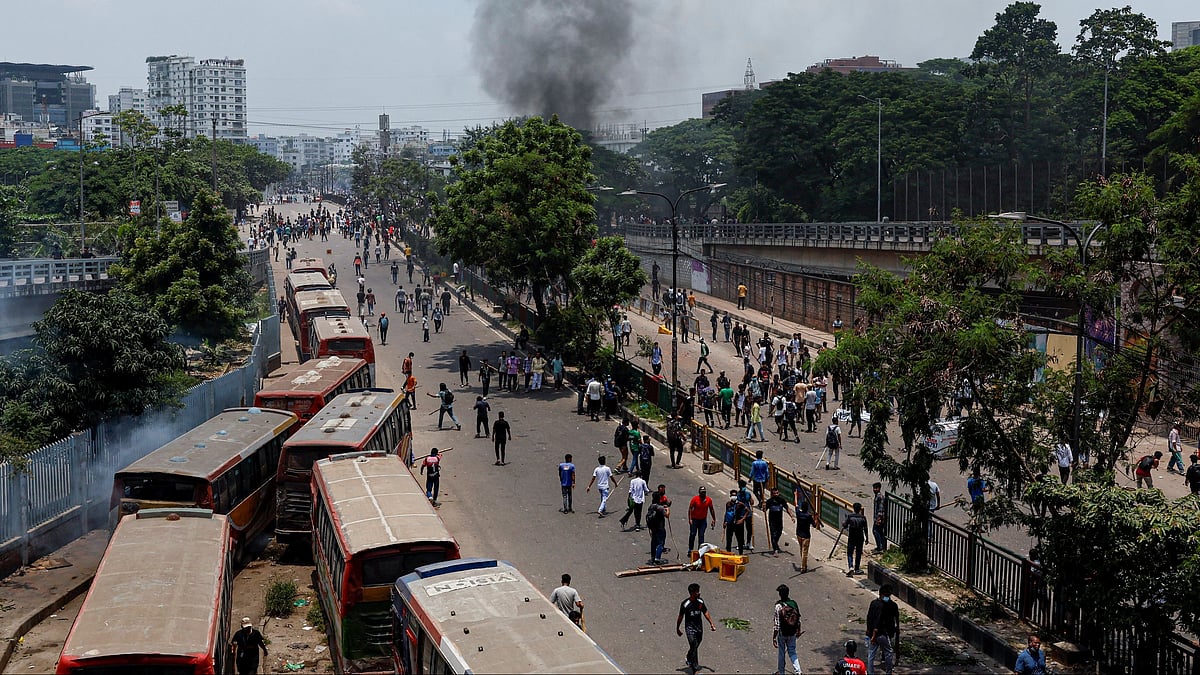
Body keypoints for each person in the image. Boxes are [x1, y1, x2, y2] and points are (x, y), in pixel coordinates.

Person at [676, 582, 717, 674]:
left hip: (699, 627)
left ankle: (689, 656)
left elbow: (705, 612)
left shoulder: (700, 602)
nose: (699, 593)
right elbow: (680, 617)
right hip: (690, 628)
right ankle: (695, 670)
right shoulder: (685, 604)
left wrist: (711, 623)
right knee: (694, 645)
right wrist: (677, 628)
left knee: (696, 644)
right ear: (692, 593)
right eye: (697, 592)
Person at [865, 584, 899, 675]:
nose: (888, 597)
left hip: (874, 633)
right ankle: (888, 672)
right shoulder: (888, 606)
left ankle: (870, 672)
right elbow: (877, 622)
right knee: (889, 652)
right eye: (886, 595)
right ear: (881, 594)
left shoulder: (874, 603)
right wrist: (873, 636)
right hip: (881, 634)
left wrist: (868, 632)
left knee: (871, 654)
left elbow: (869, 618)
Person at [772, 584, 803, 675]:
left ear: (780, 594)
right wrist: (798, 630)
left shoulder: (778, 606)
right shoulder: (793, 603)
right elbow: (798, 619)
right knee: (792, 652)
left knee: (781, 653)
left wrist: (774, 637)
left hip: (782, 633)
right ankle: (798, 671)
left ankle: (781, 672)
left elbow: (777, 624)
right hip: (792, 632)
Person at [646, 487, 671, 564]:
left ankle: (653, 557)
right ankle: (657, 558)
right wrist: (667, 509)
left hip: (653, 528)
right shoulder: (660, 508)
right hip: (660, 527)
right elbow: (667, 515)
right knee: (660, 543)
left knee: (653, 542)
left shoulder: (651, 506)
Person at [843, 502, 869, 576]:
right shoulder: (863, 518)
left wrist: (843, 523)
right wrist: (867, 538)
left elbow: (845, 525)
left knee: (850, 552)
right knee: (858, 553)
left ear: (853, 508)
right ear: (860, 509)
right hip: (860, 537)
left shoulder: (850, 516)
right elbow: (866, 529)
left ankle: (851, 566)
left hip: (852, 537)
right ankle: (857, 568)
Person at [687, 486, 716, 552]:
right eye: (702, 492)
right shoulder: (695, 499)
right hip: (694, 520)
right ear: (699, 492)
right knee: (692, 534)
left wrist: (714, 519)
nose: (703, 494)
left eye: (704, 492)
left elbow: (711, 509)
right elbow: (690, 508)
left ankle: (700, 551)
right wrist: (690, 519)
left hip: (702, 520)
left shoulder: (708, 500)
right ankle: (690, 549)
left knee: (701, 536)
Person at [794, 496, 817, 572]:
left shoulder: (798, 513)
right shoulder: (808, 516)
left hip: (799, 534)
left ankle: (804, 564)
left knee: (801, 549)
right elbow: (814, 525)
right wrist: (816, 518)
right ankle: (803, 567)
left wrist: (795, 495)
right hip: (806, 536)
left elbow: (796, 504)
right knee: (805, 552)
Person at [723, 488, 748, 555]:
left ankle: (741, 554)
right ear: (730, 496)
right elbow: (726, 513)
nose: (733, 497)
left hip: (738, 524)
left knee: (739, 540)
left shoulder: (740, 504)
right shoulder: (728, 504)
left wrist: (742, 519)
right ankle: (728, 554)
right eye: (732, 495)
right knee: (729, 540)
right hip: (730, 524)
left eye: (735, 495)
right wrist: (725, 521)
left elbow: (747, 511)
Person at [871, 483, 887, 553]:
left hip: (879, 518)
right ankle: (881, 547)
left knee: (875, 531)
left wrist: (879, 519)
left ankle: (880, 547)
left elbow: (881, 509)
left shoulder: (880, 497)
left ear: (879, 488)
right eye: (874, 488)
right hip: (877, 518)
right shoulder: (877, 496)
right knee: (879, 532)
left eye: (876, 488)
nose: (874, 490)